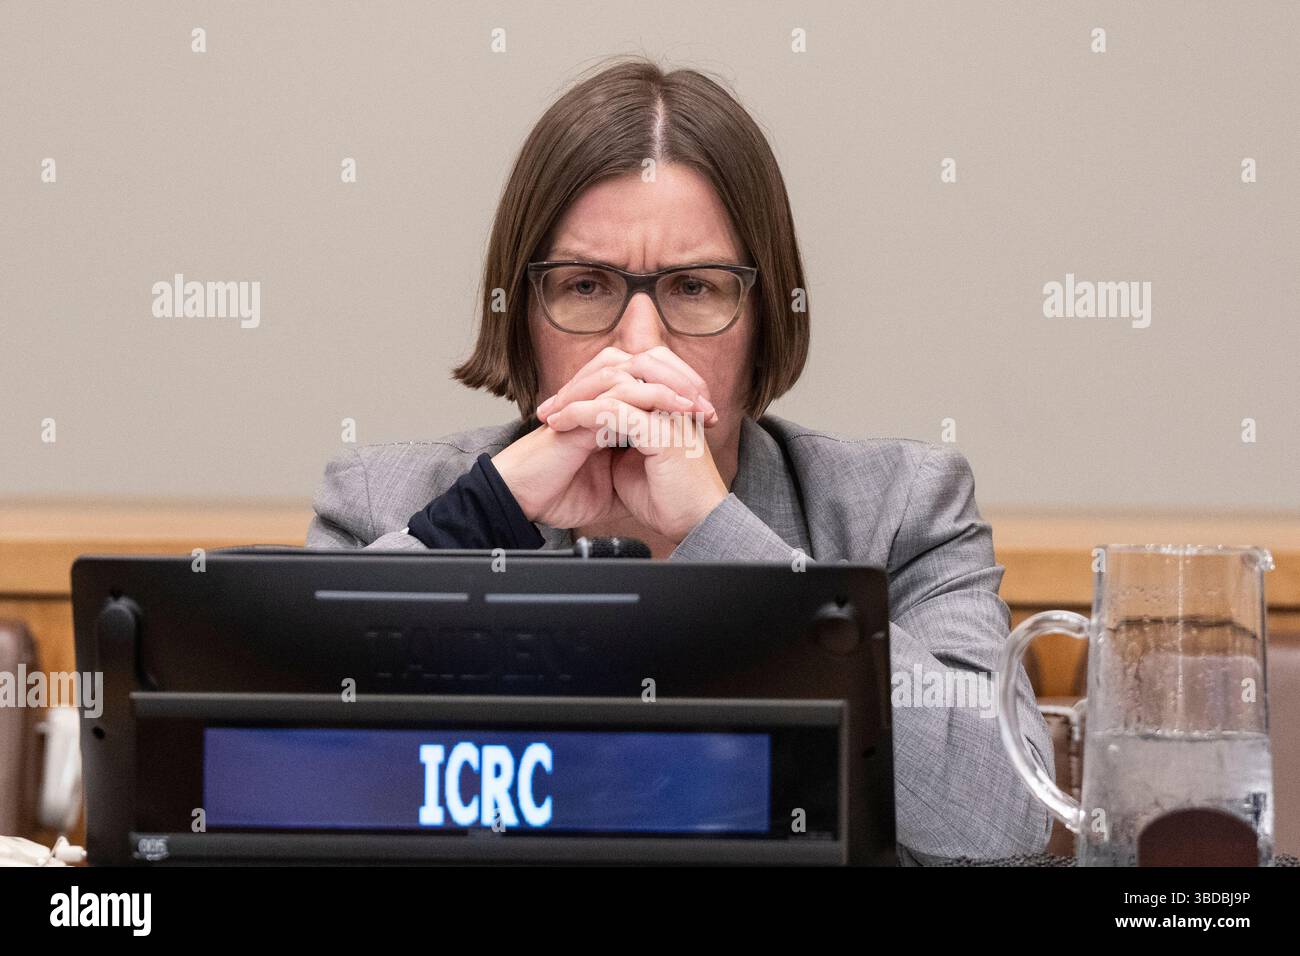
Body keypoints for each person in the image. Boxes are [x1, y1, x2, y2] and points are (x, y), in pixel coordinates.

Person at [307, 55, 1055, 864]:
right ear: (522, 314)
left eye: (694, 287)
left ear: (763, 315)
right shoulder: (383, 503)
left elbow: (1005, 823)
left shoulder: (901, 511)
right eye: (587, 285)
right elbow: (289, 787)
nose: (639, 343)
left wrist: (715, 532)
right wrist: (485, 514)